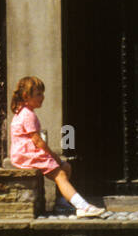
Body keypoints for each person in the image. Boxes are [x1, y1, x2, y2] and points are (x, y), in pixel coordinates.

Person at [9, 75, 104, 217]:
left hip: (25, 153)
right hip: (27, 155)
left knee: (66, 167)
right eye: (38, 94)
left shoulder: (23, 112)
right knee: (60, 174)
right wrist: (53, 155)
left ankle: (61, 202)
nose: (43, 97)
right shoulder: (28, 115)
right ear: (26, 96)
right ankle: (83, 207)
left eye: (43, 93)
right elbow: (37, 141)